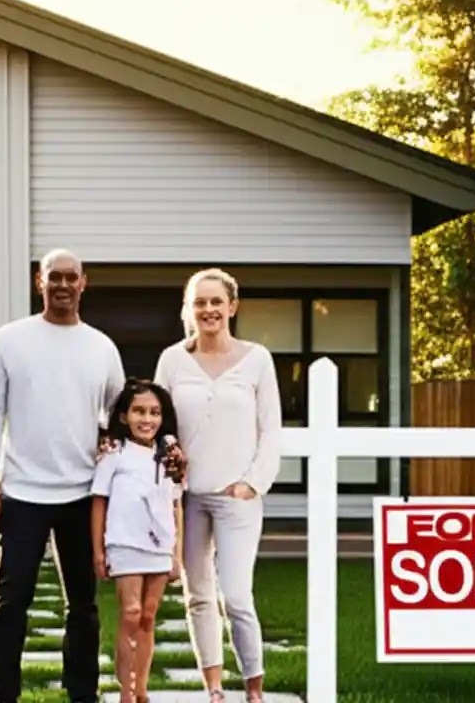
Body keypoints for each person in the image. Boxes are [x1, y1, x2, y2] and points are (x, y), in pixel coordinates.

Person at [0, 248, 126, 703]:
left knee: (82, 604)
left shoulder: (101, 346)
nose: (62, 284)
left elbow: (117, 416)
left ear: (83, 283)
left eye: (70, 277)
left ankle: (82, 693)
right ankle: (4, 694)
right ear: (39, 283)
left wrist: (111, 463)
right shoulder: (9, 340)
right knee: (11, 601)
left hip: (81, 494)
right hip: (21, 492)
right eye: (53, 277)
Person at [153, 267, 281, 703]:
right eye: (199, 302)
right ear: (188, 310)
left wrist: (251, 484)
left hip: (237, 499)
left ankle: (254, 688)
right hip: (187, 501)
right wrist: (172, 472)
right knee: (198, 596)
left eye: (215, 301)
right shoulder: (172, 360)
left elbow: (271, 430)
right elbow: (160, 426)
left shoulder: (256, 359)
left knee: (237, 596)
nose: (208, 309)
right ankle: (214, 689)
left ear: (232, 306)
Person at [90, 378, 186, 703]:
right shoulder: (114, 453)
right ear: (124, 416)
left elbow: (176, 506)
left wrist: (178, 555)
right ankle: (126, 691)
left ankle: (142, 689)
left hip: (160, 545)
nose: (147, 419)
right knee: (130, 613)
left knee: (148, 614)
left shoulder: (169, 456)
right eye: (139, 412)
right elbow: (99, 500)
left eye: (154, 412)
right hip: (124, 542)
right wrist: (98, 551)